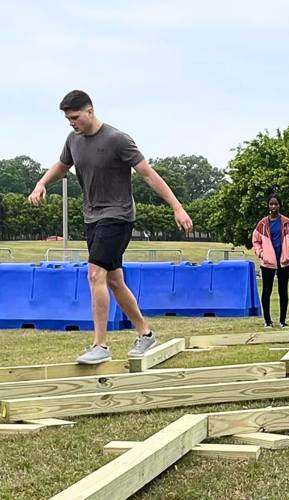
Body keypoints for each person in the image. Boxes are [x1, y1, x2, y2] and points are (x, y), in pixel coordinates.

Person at [28, 90, 193, 364]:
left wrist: (177, 207)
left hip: (118, 216)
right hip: (92, 217)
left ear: (90, 112)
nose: (72, 123)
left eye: (75, 117)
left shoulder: (117, 139)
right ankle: (146, 333)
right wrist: (41, 183)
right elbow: (62, 165)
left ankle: (100, 345)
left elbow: (148, 174)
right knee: (114, 279)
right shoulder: (73, 140)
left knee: (95, 275)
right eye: (68, 119)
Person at [252, 194, 289, 328]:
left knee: (283, 291)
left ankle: (283, 321)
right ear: (268, 205)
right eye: (271, 204)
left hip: (283, 261)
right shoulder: (262, 224)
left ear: (280, 205)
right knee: (267, 291)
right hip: (267, 262)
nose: (273, 206)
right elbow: (256, 241)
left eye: (276, 204)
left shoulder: (286, 222)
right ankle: (267, 321)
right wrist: (261, 253)